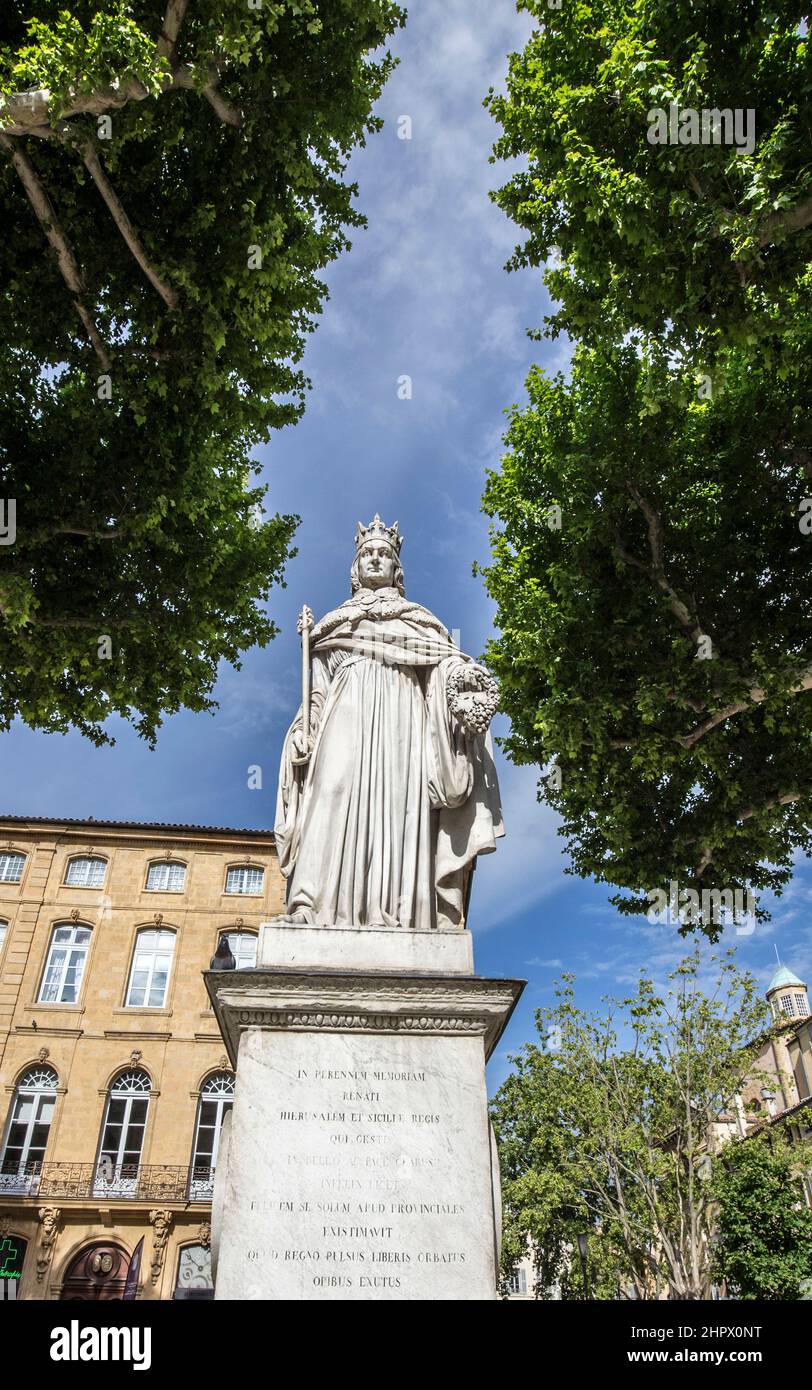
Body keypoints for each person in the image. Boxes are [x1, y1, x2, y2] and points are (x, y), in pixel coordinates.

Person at [274, 515, 503, 929]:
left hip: (405, 718)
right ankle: (310, 905)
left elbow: (444, 668)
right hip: (343, 715)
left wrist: (463, 681)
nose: (375, 559)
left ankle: (400, 912)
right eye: (367, 554)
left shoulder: (420, 622)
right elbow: (315, 694)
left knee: (400, 805)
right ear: (356, 567)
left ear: (397, 568)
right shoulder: (331, 625)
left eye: (384, 554)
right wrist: (301, 733)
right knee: (331, 790)